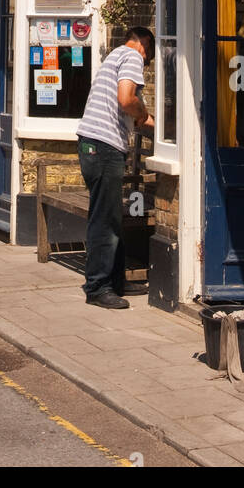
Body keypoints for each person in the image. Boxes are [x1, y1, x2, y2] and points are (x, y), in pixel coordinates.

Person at [76, 25, 155, 309]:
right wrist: (144, 112)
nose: (146, 64)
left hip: (92, 145)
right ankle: (98, 288)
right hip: (104, 148)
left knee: (111, 215)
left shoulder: (115, 56)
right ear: (145, 44)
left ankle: (116, 280)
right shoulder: (133, 56)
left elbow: (129, 109)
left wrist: (156, 125)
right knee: (105, 220)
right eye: (149, 59)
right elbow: (126, 100)